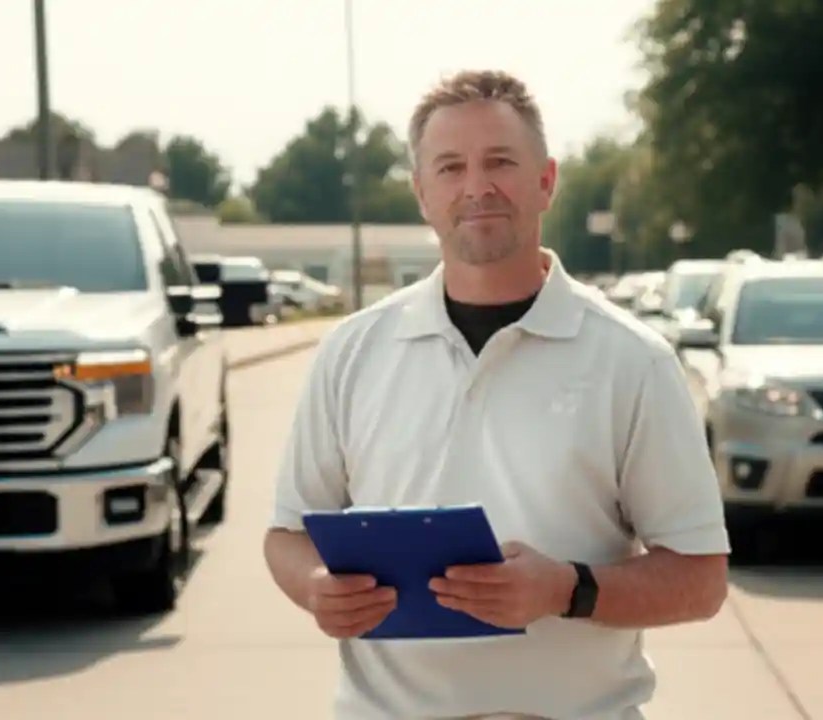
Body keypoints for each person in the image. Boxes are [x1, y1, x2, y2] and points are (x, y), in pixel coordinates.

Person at [264, 69, 730, 720]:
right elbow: (288, 533)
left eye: (500, 162)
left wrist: (568, 589)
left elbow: (701, 580)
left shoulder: (633, 360)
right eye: (450, 168)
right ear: (423, 194)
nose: (477, 187)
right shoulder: (351, 352)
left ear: (546, 181)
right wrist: (316, 588)